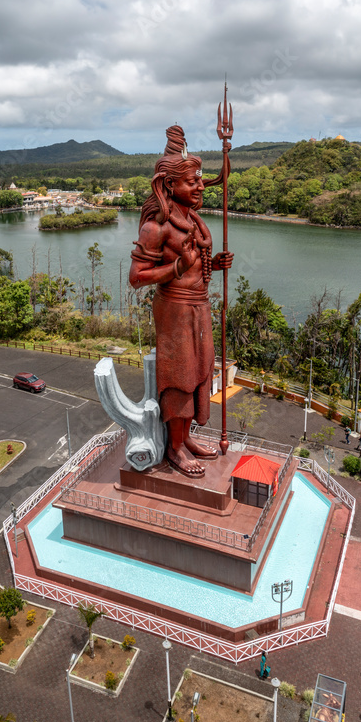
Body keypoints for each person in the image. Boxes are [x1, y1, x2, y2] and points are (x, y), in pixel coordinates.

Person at [129, 124, 234, 478]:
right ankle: (173, 447)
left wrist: (213, 264)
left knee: (201, 371)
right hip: (174, 308)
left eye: (201, 180)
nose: (201, 187)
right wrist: (176, 267)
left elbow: (195, 264)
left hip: (198, 305)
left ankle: (184, 436)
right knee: (181, 376)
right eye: (193, 182)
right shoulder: (156, 227)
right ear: (170, 185)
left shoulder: (193, 220)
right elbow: (136, 278)